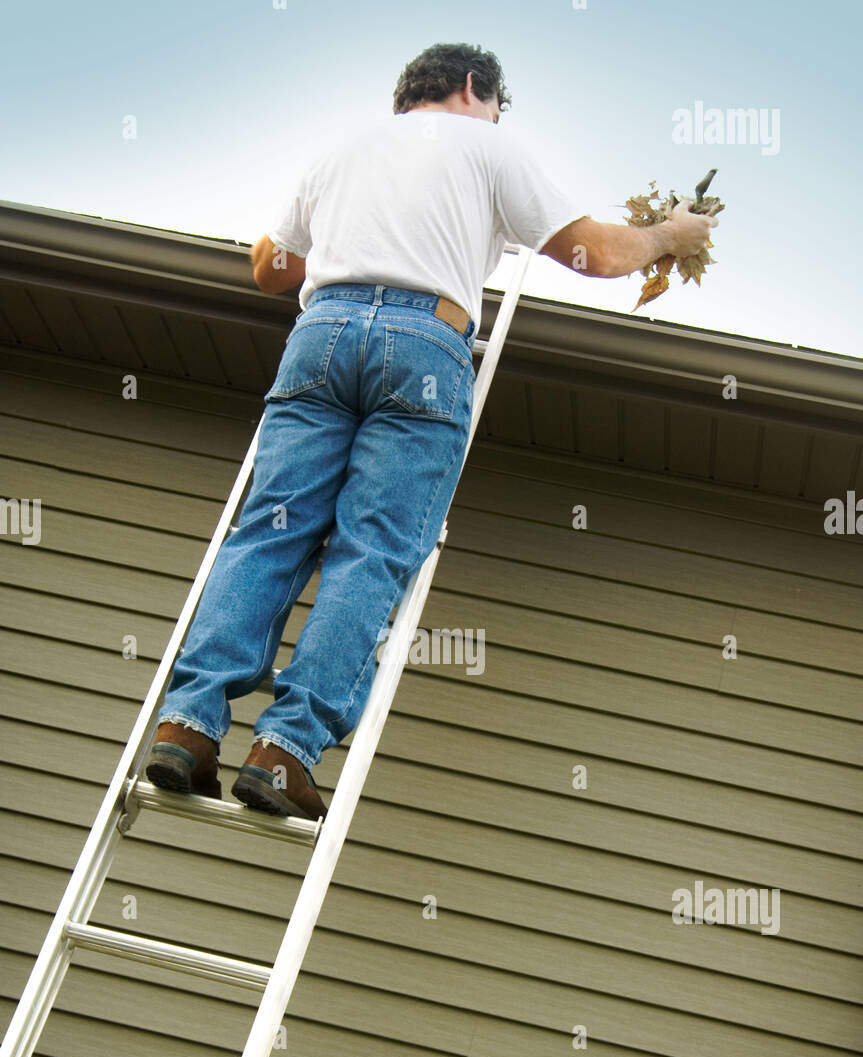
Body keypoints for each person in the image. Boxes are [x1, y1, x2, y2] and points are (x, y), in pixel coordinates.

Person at [146, 41, 718, 820]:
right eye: (495, 103)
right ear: (475, 88)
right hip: (422, 343)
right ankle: (284, 751)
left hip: (322, 332)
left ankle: (189, 726)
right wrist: (669, 236)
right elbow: (598, 254)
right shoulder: (488, 144)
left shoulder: (343, 146)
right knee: (372, 549)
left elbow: (272, 269)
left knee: (267, 534)